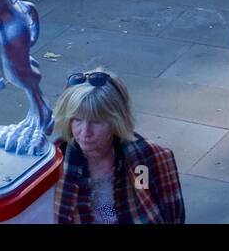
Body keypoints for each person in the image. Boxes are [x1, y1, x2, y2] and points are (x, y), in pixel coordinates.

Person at [52, 69, 184, 224]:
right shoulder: (53, 164)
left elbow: (170, 212)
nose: (85, 132)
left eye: (96, 121)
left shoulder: (145, 159)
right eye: (77, 120)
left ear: (116, 121)